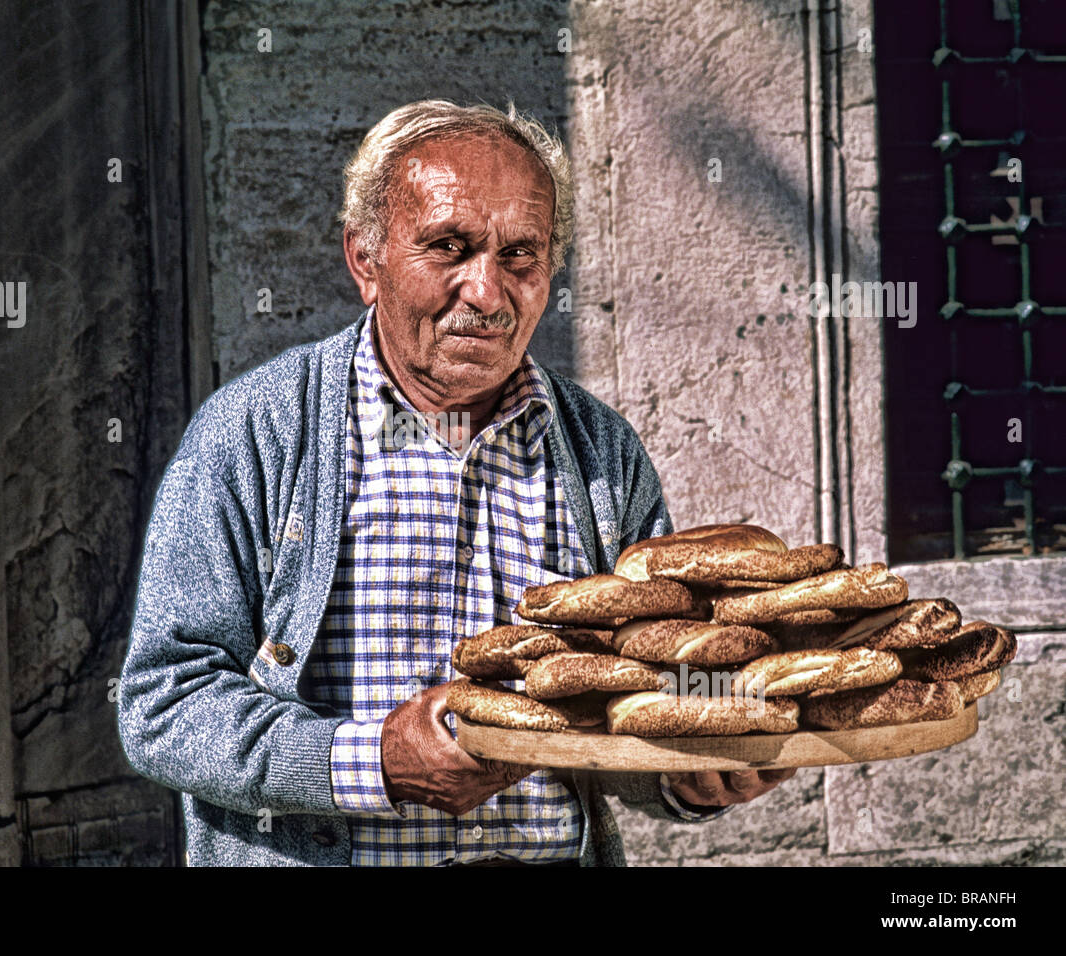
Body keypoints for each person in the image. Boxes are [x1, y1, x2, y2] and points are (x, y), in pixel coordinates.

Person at [117, 100, 795, 867]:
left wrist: (692, 775)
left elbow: (623, 713)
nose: (487, 292)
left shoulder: (600, 452)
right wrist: (371, 761)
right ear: (364, 260)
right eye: (450, 246)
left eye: (520, 256)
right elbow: (164, 707)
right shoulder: (253, 434)